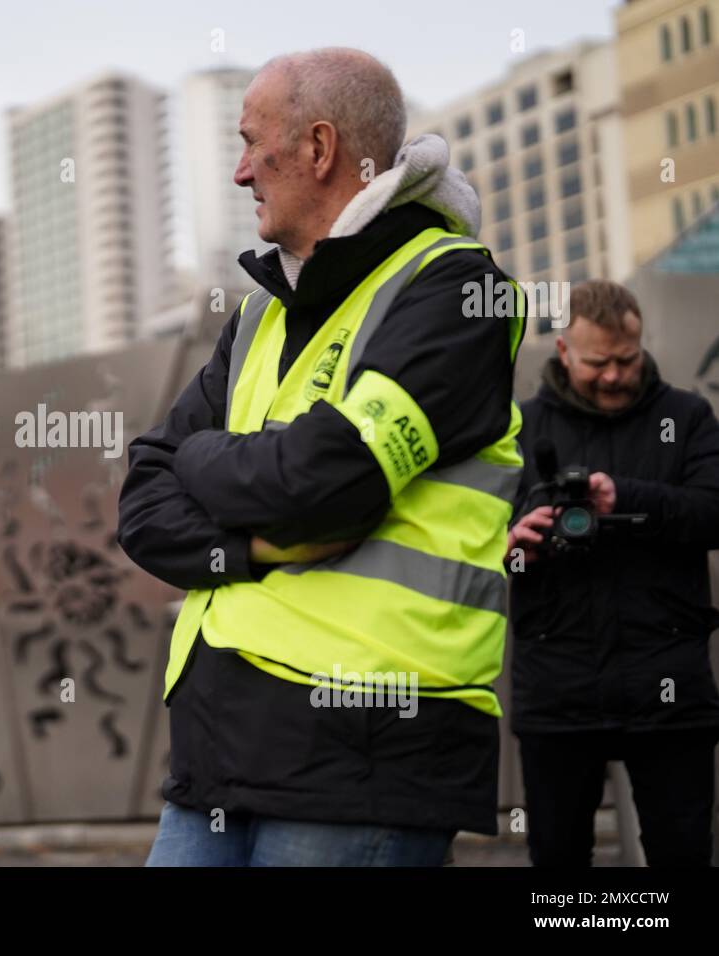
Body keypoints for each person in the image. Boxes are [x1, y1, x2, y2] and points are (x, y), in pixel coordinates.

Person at [118, 48, 526, 866]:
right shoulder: (261, 315)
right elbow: (141, 507)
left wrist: (199, 454)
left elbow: (323, 485)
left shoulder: (454, 292)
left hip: (363, 755)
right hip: (217, 758)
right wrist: (253, 542)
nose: (239, 173)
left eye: (251, 142)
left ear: (319, 147)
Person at [507, 279, 719, 867]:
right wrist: (512, 540)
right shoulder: (520, 429)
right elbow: (474, 537)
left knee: (683, 855)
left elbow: (714, 512)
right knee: (558, 866)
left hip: (668, 689)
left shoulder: (686, 416)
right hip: (557, 687)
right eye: (597, 362)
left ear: (640, 343)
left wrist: (624, 498)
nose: (613, 376)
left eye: (626, 360)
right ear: (563, 352)